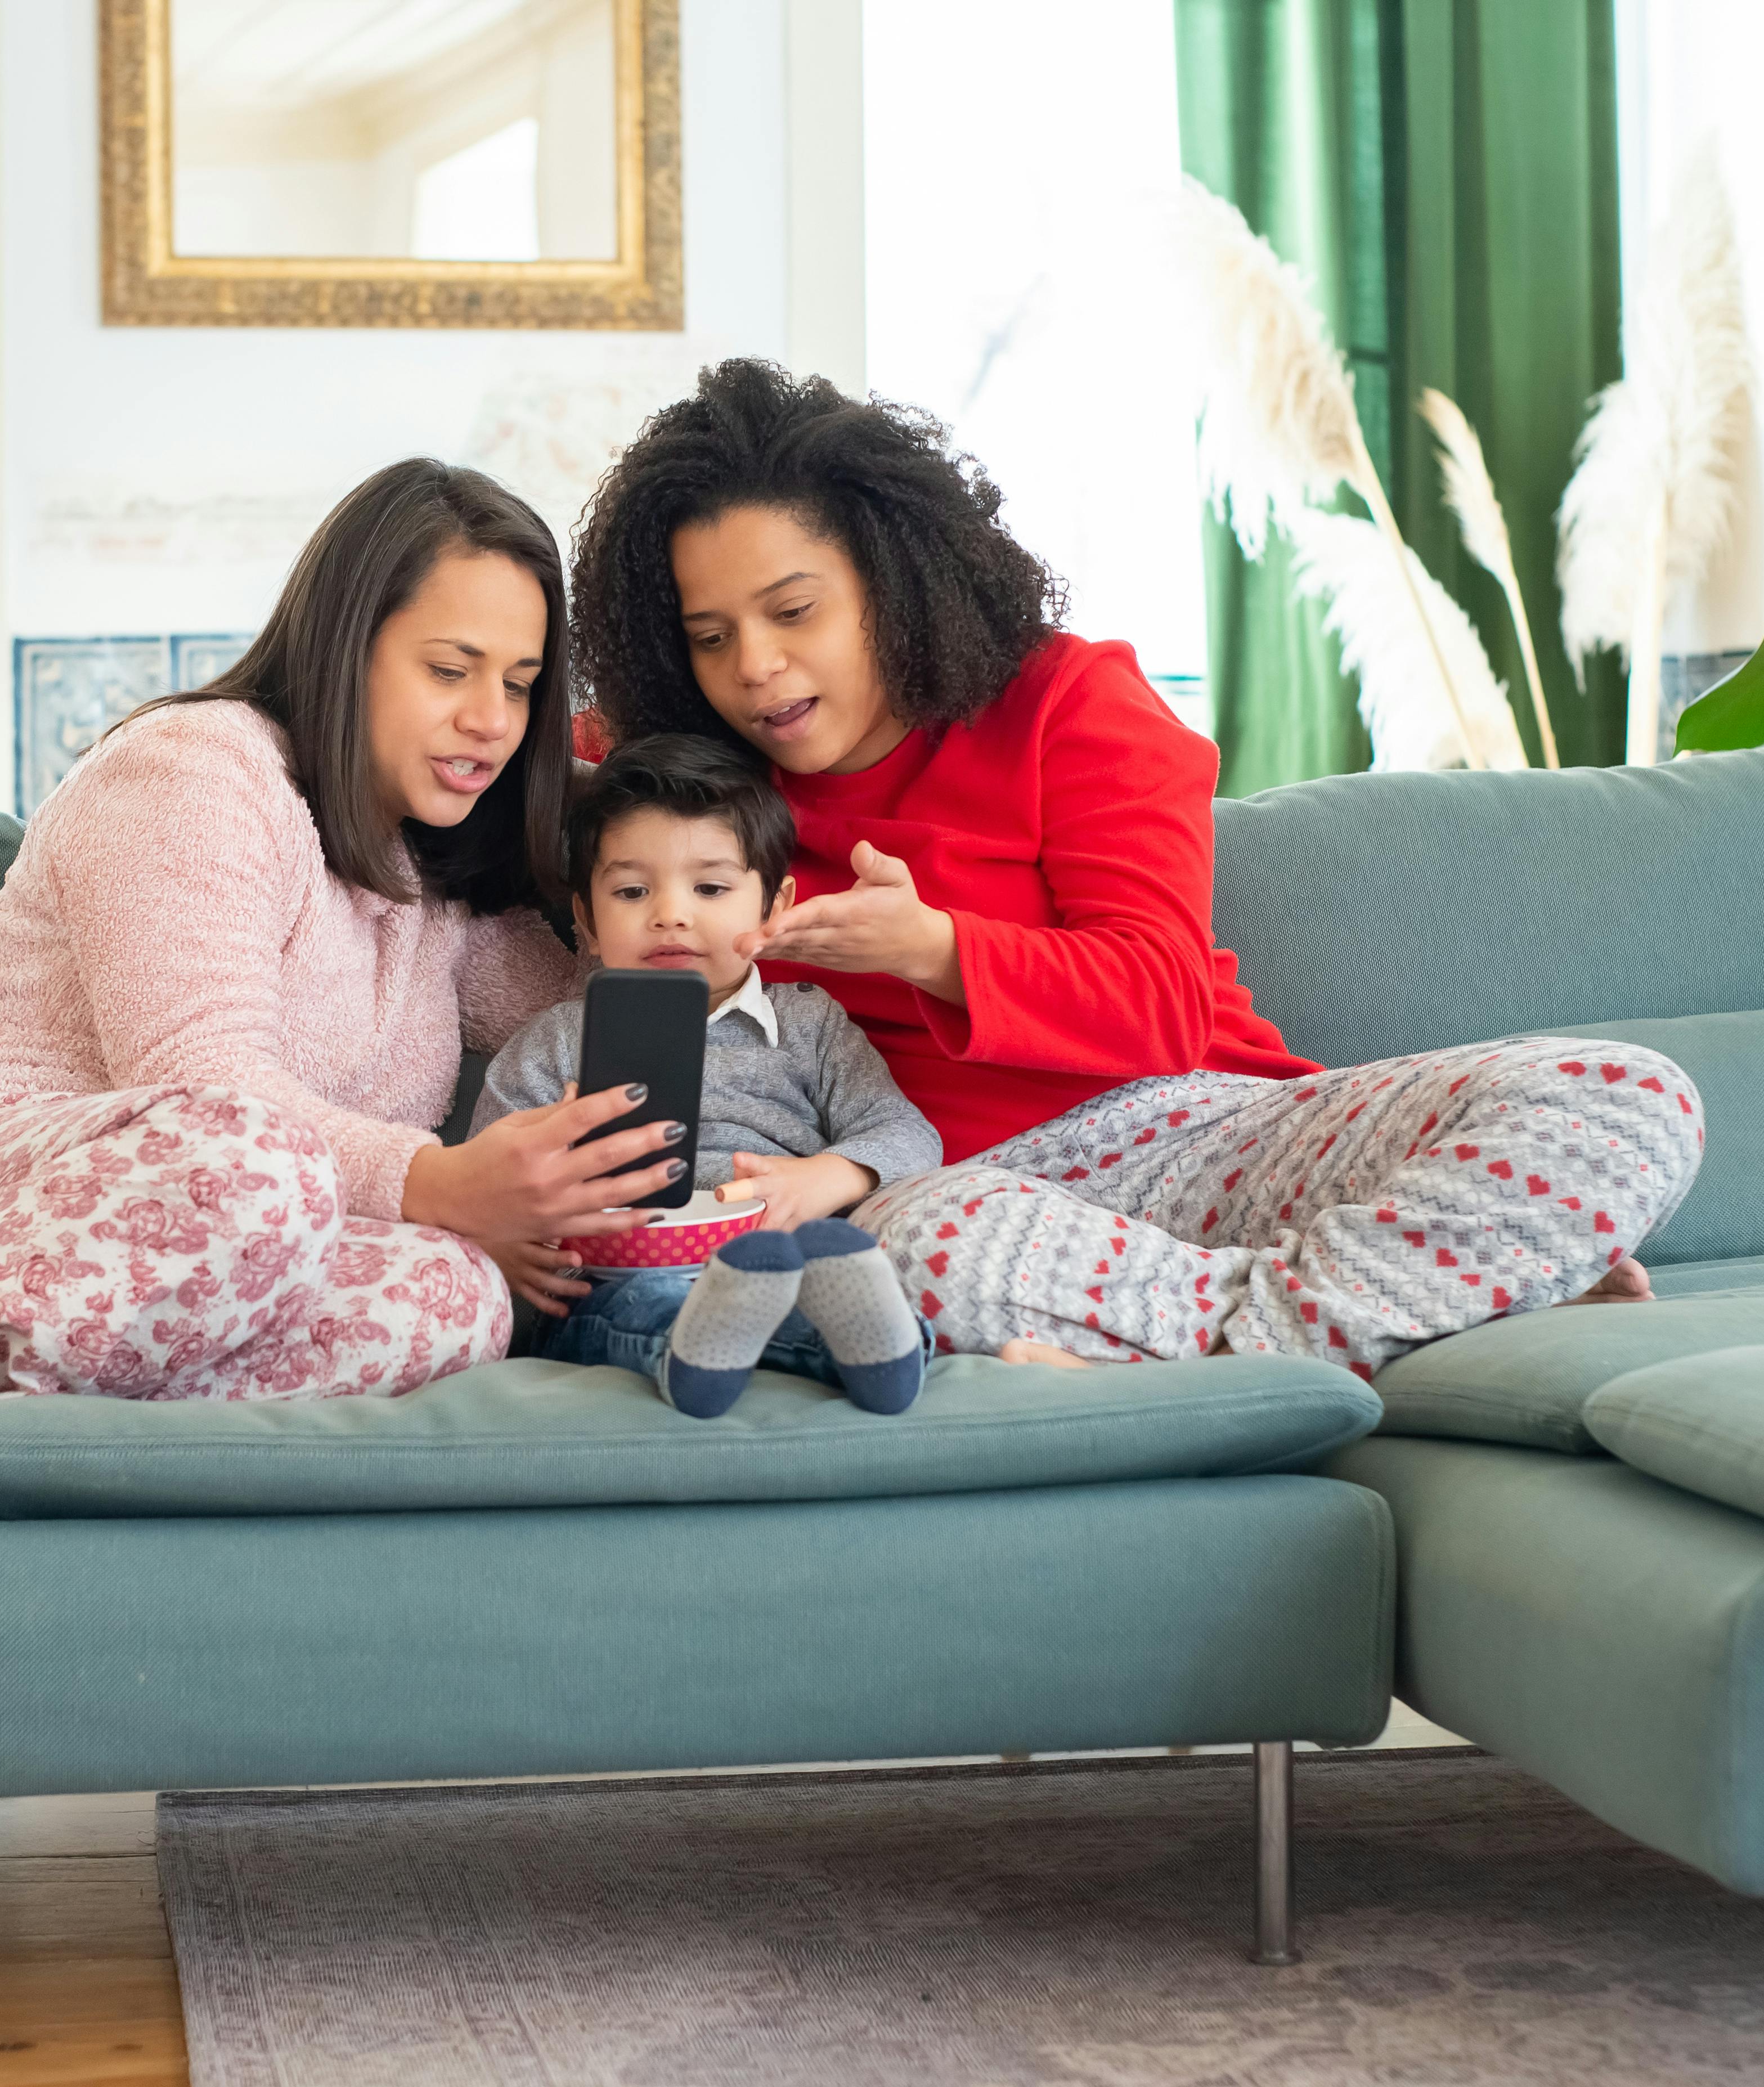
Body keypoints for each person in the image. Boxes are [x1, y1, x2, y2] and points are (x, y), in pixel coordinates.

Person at [567, 360, 1703, 1380]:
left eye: (792, 610)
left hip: (1207, 1133)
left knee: (1626, 1099)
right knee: (900, 1259)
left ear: (891, 575)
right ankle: (1412, 1305)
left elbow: (1161, 1003)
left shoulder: (1068, 699)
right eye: (708, 636)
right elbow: (485, 769)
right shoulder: (685, 797)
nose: (754, 667)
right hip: (981, 1203)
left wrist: (935, 950)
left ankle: (1245, 1340)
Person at [0, 460, 688, 1456]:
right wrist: (430, 1178)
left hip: (156, 1293)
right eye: (451, 668)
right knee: (258, 1160)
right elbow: (200, 1082)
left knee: (460, 1294)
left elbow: (621, 1010)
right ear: (348, 646)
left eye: (520, 683)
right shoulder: (196, 770)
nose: (489, 720)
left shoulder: (441, 885)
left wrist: (645, 834)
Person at [472, 734, 942, 1417]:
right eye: (632, 890)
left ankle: (886, 1349)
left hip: (776, 1258)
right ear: (587, 920)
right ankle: (688, 1352)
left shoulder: (808, 1026)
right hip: (618, 1273)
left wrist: (829, 1177)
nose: (670, 913)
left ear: (773, 908)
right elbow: (487, 1175)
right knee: (630, 1308)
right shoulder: (554, 1043)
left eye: (711, 888)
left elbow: (905, 1130)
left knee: (818, 1285)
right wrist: (519, 1238)